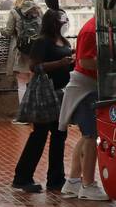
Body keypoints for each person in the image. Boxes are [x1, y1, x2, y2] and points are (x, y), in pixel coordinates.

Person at [11, 10, 73, 194]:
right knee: (40, 134)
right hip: (46, 93)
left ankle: (56, 178)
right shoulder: (42, 41)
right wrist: (60, 63)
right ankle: (22, 177)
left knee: (59, 135)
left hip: (61, 92)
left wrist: (69, 62)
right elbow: (34, 66)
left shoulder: (65, 41)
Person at [59, 16, 107, 201]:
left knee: (86, 135)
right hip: (86, 88)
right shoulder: (91, 30)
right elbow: (86, 61)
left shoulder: (91, 28)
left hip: (85, 87)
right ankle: (88, 184)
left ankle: (73, 181)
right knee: (90, 136)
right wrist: (111, 64)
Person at [2, 0, 42, 120]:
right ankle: (36, 113)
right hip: (36, 51)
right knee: (34, 84)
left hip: (20, 51)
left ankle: (24, 115)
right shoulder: (39, 10)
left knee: (21, 84)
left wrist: (1, 30)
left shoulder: (14, 12)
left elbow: (8, 32)